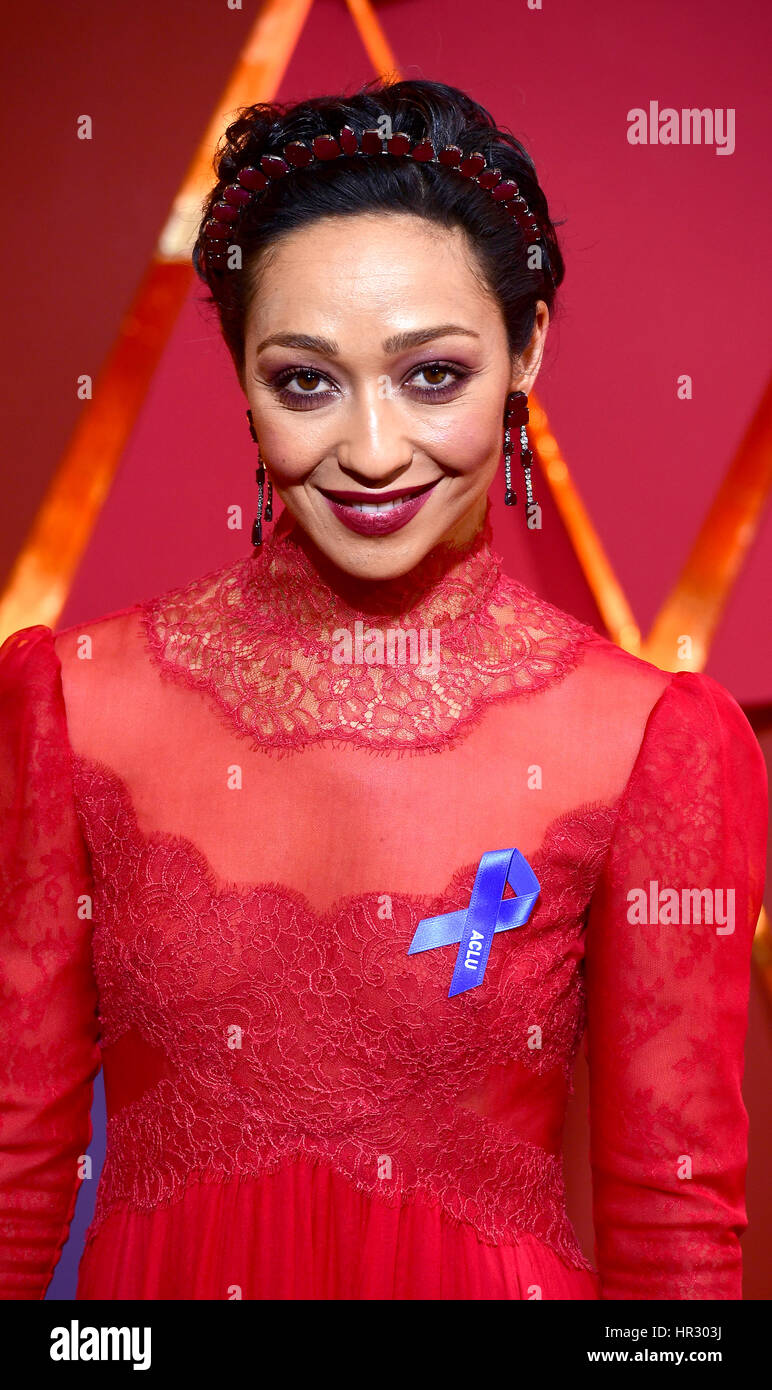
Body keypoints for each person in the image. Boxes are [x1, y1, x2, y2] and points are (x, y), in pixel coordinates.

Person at [0, 78, 767, 1301]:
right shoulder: (74, 701)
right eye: (305, 380)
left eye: (432, 375)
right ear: (243, 377)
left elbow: (673, 1228)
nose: (368, 451)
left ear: (527, 351)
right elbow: (16, 1166)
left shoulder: (646, 740)